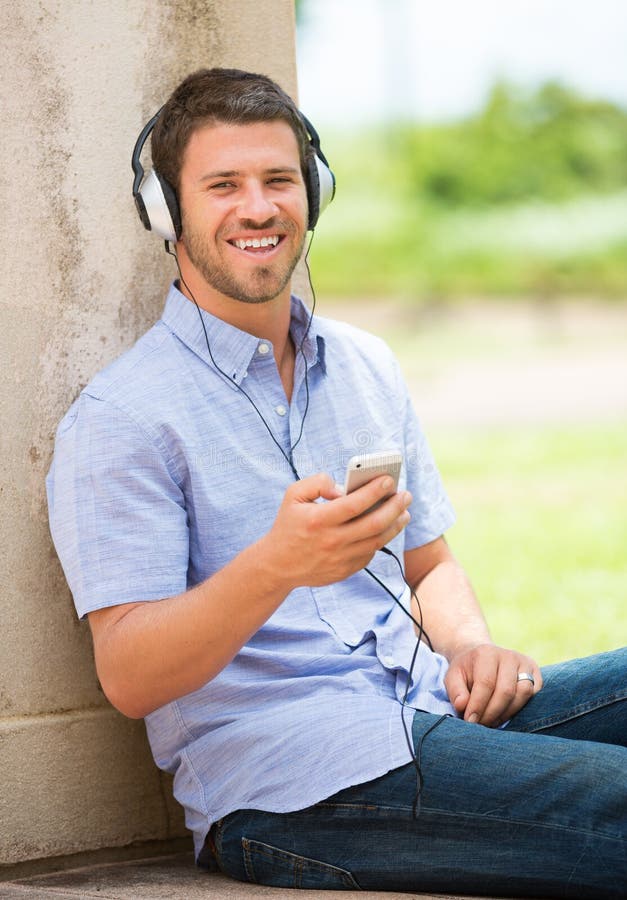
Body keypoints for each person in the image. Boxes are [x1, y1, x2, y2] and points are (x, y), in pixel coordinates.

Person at [46, 68, 626, 898]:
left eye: (278, 180)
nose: (258, 208)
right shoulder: (121, 418)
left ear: (312, 193)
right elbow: (130, 676)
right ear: (167, 212)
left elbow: (428, 562)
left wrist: (468, 648)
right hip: (294, 786)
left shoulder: (365, 365)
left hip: (428, 710)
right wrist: (275, 565)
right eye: (223, 185)